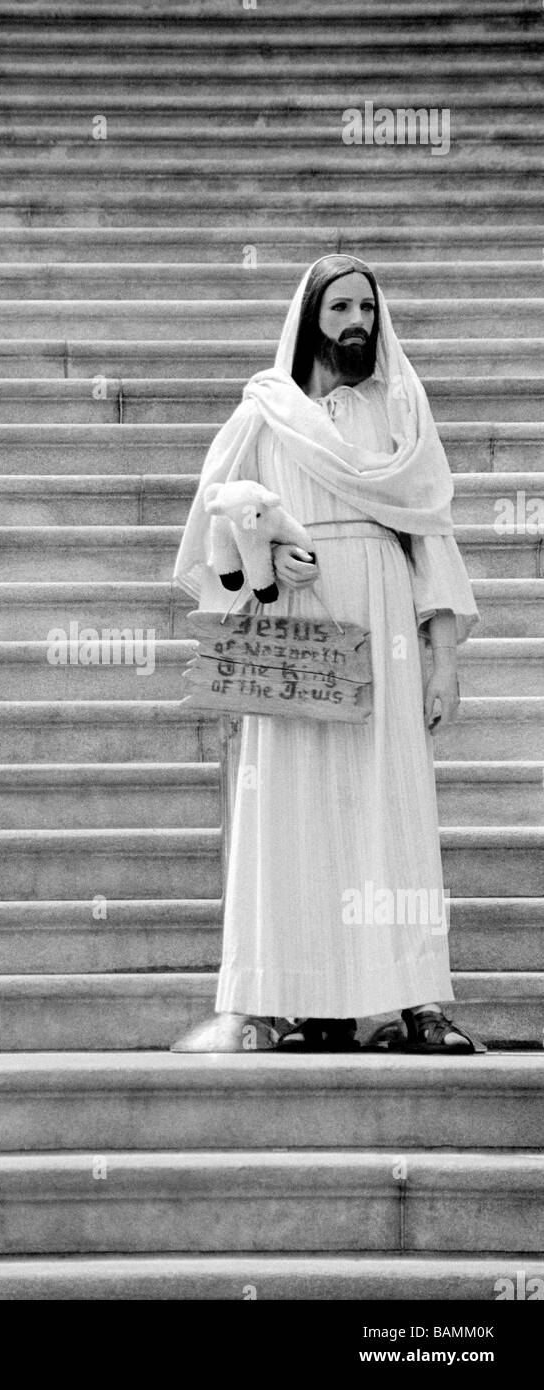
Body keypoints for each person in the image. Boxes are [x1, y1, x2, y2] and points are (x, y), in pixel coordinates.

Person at [172, 254, 485, 1054]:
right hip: (296, 631)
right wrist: (265, 564)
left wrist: (442, 659)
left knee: (393, 806)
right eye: (341, 306)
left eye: (367, 309)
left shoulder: (401, 411)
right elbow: (215, 530)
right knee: (297, 810)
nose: (357, 322)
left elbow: (431, 537)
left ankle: (416, 1000)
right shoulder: (265, 412)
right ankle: (309, 1002)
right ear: (311, 315)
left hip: (382, 621)